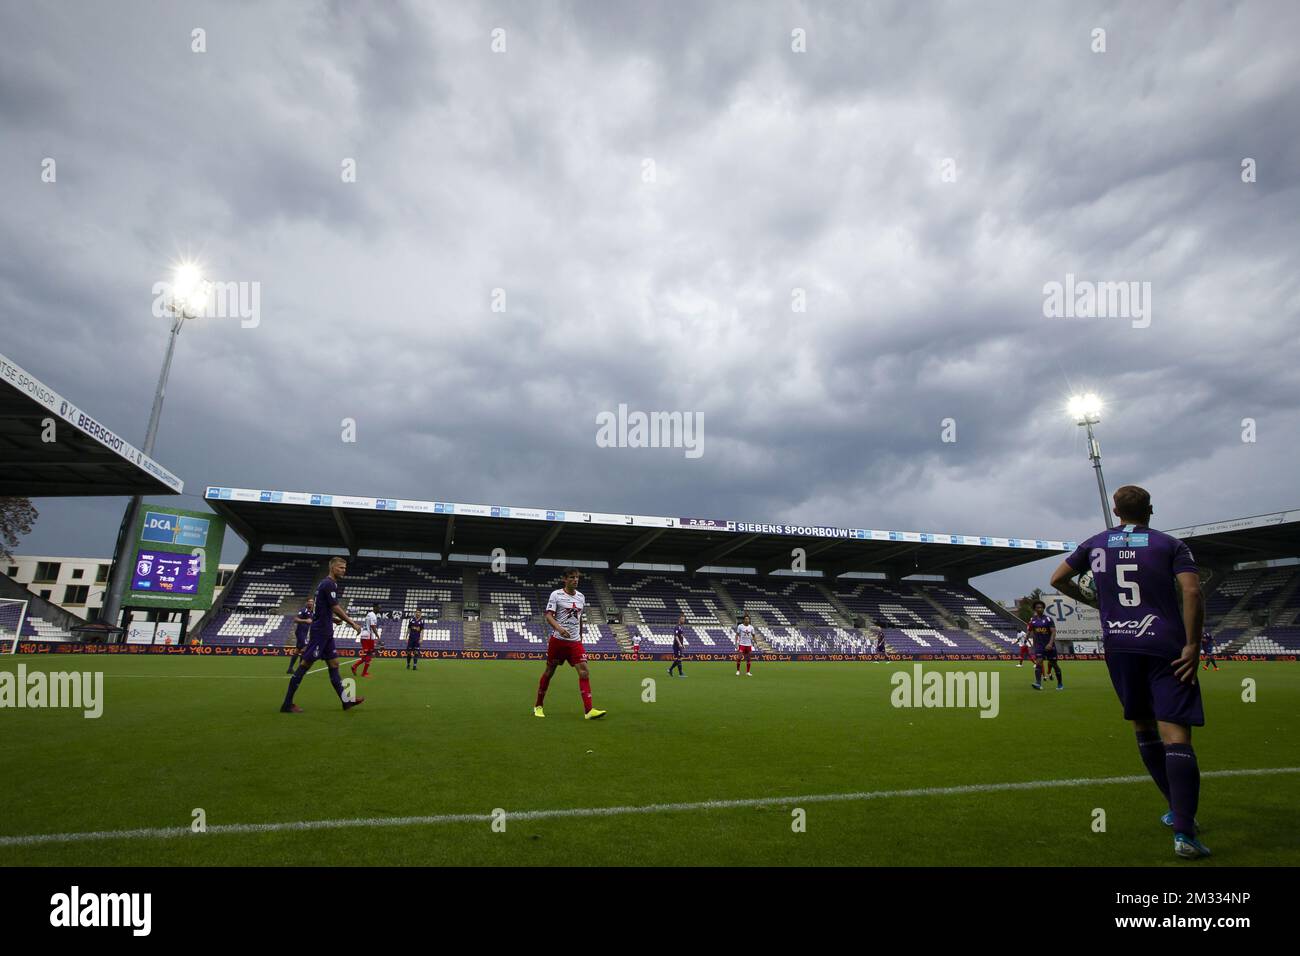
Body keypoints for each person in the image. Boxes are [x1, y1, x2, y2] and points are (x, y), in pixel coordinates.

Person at [1050, 484, 1210, 859]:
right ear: (1150, 509)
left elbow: (1057, 579)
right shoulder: (1170, 545)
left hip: (1120, 647)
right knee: (1176, 734)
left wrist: (1094, 599)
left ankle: (1178, 810)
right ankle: (1184, 830)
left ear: (1115, 510)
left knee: (1143, 725)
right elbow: (1191, 592)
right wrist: (1192, 644)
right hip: (1165, 646)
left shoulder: (1095, 543)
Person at [281, 556, 364, 713]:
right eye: (341, 567)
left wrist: (332, 619)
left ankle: (346, 702)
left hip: (326, 631)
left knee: (334, 664)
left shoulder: (327, 584)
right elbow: (335, 606)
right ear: (332, 568)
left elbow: (322, 607)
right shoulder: (328, 584)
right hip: (320, 633)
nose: (343, 570)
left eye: (345, 568)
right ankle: (287, 703)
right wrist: (351, 622)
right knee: (305, 665)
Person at [534, 569, 606, 719]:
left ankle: (589, 710)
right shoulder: (556, 595)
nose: (575, 580)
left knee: (584, 671)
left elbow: (579, 618)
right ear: (565, 580)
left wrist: (580, 637)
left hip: (574, 642)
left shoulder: (581, 597)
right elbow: (548, 615)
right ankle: (538, 706)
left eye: (577, 578)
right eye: (572, 577)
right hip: (558, 641)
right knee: (549, 672)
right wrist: (559, 629)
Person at [1027, 601, 1062, 690]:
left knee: (1054, 664)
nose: (1040, 609)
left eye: (1042, 607)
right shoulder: (1032, 620)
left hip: (1050, 645)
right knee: (1038, 663)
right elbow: (1030, 630)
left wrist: (1050, 643)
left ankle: (1060, 684)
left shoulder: (1048, 619)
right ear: (1035, 609)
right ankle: (1038, 683)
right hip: (1039, 646)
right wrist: (1027, 638)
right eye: (1038, 607)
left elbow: (1053, 632)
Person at [286, 597, 314, 674]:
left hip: (304, 633)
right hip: (300, 632)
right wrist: (305, 620)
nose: (311, 603)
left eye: (312, 602)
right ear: (307, 603)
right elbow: (296, 619)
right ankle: (300, 669)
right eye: (309, 602)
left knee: (297, 650)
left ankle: (290, 668)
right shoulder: (303, 610)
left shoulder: (311, 612)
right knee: (306, 647)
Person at [352, 603, 380, 678]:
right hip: (368, 636)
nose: (379, 609)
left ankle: (355, 666)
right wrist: (377, 635)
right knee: (370, 654)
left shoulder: (369, 614)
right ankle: (363, 673)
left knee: (368, 654)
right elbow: (373, 626)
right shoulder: (373, 615)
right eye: (378, 608)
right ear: (374, 607)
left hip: (364, 635)